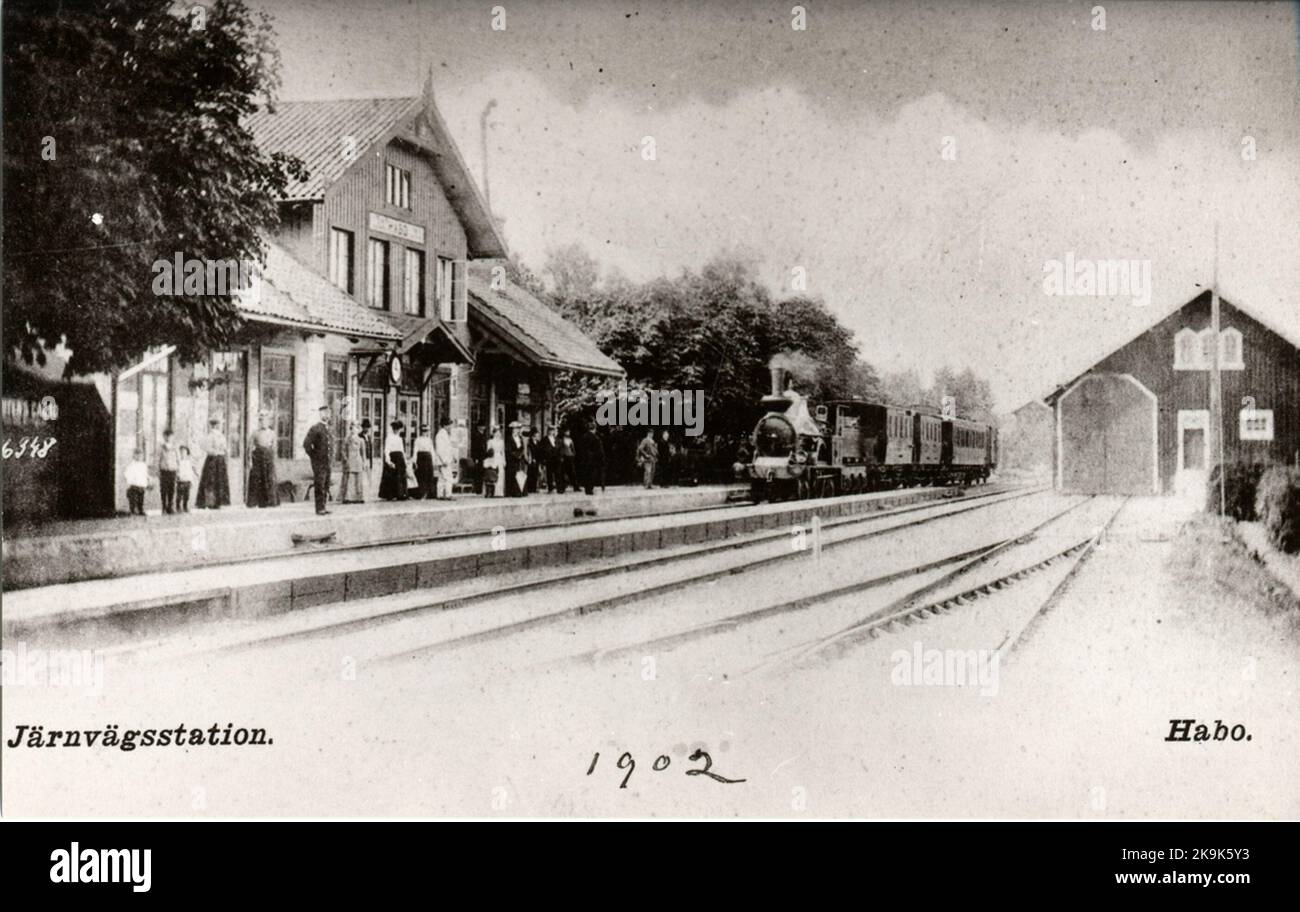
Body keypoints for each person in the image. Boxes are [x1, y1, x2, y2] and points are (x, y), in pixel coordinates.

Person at [303, 404, 334, 515]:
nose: (328, 415)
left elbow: (330, 446)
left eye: (329, 413)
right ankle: (319, 508)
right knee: (319, 485)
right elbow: (306, 444)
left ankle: (323, 507)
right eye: (326, 413)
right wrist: (314, 457)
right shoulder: (315, 428)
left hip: (328, 462)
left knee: (326, 484)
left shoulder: (329, 428)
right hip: (319, 463)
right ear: (321, 414)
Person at [246, 411, 280, 508]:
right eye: (261, 421)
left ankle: (270, 501)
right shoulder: (255, 433)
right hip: (257, 458)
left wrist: (273, 459)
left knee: (269, 479)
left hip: (268, 458)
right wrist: (250, 460)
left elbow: (274, 448)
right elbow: (249, 447)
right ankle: (254, 502)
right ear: (259, 422)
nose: (263, 423)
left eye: (265, 420)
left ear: (269, 422)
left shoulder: (272, 433)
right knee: (256, 479)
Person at [196, 418, 230, 509]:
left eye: (217, 425)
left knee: (219, 480)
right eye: (214, 425)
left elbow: (226, 448)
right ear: (212, 426)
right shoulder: (209, 436)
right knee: (211, 480)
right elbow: (204, 446)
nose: (216, 427)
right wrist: (214, 451)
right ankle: (210, 502)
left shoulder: (221, 436)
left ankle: (219, 502)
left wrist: (224, 451)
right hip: (212, 460)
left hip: (220, 460)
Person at [378, 420, 408, 501]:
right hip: (393, 457)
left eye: (398, 429)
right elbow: (387, 449)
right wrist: (388, 460)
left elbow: (402, 450)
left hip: (400, 458)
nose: (397, 430)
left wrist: (405, 460)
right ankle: (390, 494)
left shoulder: (400, 439)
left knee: (400, 476)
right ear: (393, 429)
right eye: (395, 429)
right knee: (391, 476)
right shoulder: (389, 437)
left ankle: (400, 493)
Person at [576, 421, 605, 496]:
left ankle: (587, 489)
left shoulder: (583, 437)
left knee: (586, 474)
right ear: (594, 429)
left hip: (584, 459)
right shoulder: (596, 438)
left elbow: (580, 449)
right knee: (592, 474)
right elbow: (599, 450)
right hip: (593, 459)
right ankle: (590, 489)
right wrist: (601, 459)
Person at [340, 422, 367, 503]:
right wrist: (345, 459)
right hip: (349, 461)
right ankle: (348, 497)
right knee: (350, 480)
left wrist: (364, 462)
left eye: (355, 428)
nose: (353, 430)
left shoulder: (361, 440)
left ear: (358, 430)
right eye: (352, 428)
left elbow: (363, 453)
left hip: (358, 461)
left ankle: (358, 498)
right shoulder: (347, 439)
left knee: (358, 480)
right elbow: (342, 451)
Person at [158, 429, 179, 514]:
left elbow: (178, 459)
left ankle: (170, 506)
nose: (168, 438)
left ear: (172, 437)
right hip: (164, 470)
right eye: (166, 436)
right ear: (164, 437)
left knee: (171, 489)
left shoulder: (175, 447)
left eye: (170, 436)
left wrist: (178, 470)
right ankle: (164, 506)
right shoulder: (161, 447)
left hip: (172, 470)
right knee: (163, 489)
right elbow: (158, 459)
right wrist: (158, 470)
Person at [434, 417, 456, 500]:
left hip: (445, 459)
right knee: (448, 477)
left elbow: (448, 448)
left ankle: (440, 494)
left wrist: (452, 456)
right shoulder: (441, 435)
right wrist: (444, 460)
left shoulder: (444, 434)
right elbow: (440, 449)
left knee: (442, 478)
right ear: (445, 425)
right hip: (444, 460)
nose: (450, 426)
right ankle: (448, 494)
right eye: (449, 425)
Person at [413, 423, 436, 500]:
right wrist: (414, 461)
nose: (424, 432)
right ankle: (421, 493)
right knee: (421, 475)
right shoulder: (418, 440)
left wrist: (434, 460)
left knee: (429, 475)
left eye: (426, 431)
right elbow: (415, 451)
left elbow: (432, 450)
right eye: (423, 431)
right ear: (421, 431)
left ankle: (429, 493)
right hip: (421, 458)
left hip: (428, 457)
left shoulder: (429, 440)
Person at [505, 421, 527, 497]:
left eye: (518, 429)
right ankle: (512, 492)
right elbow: (508, 449)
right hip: (512, 459)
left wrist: (521, 454)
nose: (517, 430)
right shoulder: (509, 438)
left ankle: (520, 491)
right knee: (512, 475)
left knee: (519, 474)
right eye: (515, 429)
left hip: (519, 459)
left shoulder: (520, 438)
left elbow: (522, 447)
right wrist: (516, 455)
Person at [125, 449, 149, 516]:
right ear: (134, 455)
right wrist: (130, 481)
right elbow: (127, 474)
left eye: (140, 455)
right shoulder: (131, 465)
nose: (138, 456)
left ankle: (140, 509)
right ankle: (133, 510)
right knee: (133, 499)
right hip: (134, 485)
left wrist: (146, 482)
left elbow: (145, 474)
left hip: (141, 484)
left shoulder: (143, 465)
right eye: (137, 455)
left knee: (141, 498)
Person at [483, 426, 505, 497]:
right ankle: (492, 492)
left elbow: (503, 451)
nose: (498, 434)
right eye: (496, 432)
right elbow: (488, 451)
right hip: (493, 457)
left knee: (500, 473)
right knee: (493, 474)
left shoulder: (501, 442)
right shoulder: (490, 441)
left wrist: (504, 460)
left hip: (499, 457)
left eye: (499, 433)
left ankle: (499, 492)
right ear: (494, 433)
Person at [535, 426, 558, 493]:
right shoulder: (544, 439)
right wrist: (543, 459)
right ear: (548, 431)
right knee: (549, 473)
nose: (551, 432)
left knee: (557, 473)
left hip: (555, 458)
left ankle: (557, 487)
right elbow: (542, 450)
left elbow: (557, 447)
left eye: (552, 430)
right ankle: (550, 488)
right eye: (550, 430)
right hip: (548, 458)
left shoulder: (555, 439)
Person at [359, 418, 376, 498]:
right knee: (363, 476)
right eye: (365, 427)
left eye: (368, 427)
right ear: (362, 428)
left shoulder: (369, 437)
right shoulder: (359, 436)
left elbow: (371, 450)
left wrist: (371, 462)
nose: (367, 429)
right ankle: (363, 492)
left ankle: (369, 492)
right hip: (362, 458)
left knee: (369, 476)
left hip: (368, 459)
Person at [176, 446, 196, 512]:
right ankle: (178, 506)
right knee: (179, 495)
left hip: (187, 480)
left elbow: (191, 472)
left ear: (187, 453)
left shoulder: (189, 462)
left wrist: (191, 480)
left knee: (186, 495)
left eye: (184, 452)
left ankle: (185, 506)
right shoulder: (178, 462)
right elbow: (177, 471)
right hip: (180, 480)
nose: (182, 454)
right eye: (181, 452)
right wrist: (177, 477)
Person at [558, 428, 577, 494]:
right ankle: (562, 487)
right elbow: (560, 449)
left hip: (570, 456)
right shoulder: (561, 440)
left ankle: (575, 486)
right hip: (564, 457)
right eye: (567, 432)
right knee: (563, 472)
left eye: (568, 432)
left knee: (572, 472)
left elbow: (573, 448)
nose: (568, 433)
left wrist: (573, 454)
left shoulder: (570, 440)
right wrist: (561, 457)